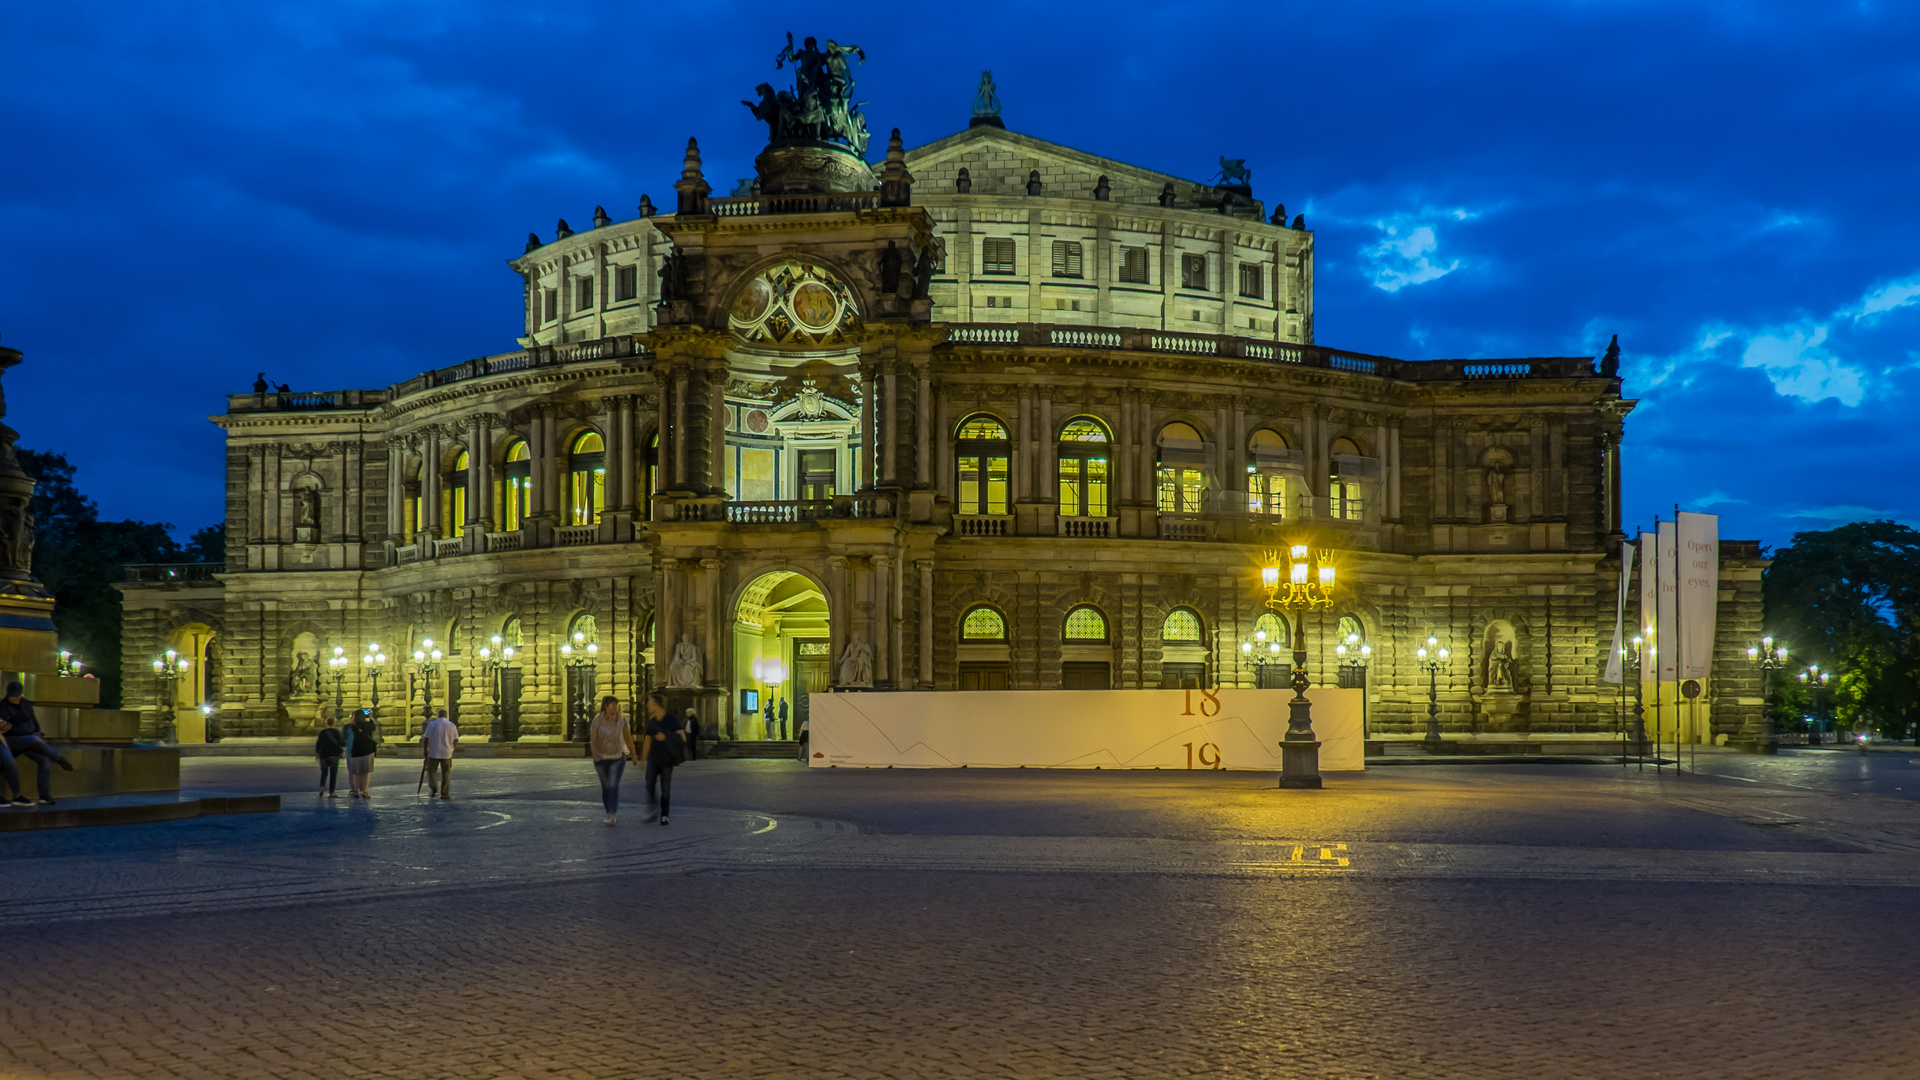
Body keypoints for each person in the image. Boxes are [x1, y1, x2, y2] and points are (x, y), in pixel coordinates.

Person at [0, 681, 73, 806]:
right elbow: (8, 729)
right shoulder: (3, 707)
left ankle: (44, 795)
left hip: (28, 737)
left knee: (43, 759)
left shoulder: (26, 704)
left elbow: (34, 721)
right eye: (12, 697)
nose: (14, 699)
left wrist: (37, 731)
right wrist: (28, 733)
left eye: (16, 697)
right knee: (31, 742)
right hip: (13, 739)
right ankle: (58, 758)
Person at [588, 695, 638, 825]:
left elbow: (628, 738)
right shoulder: (597, 721)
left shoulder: (622, 721)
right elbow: (593, 740)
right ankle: (608, 811)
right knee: (605, 787)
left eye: (616, 704)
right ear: (606, 706)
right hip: (601, 758)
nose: (615, 707)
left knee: (613, 785)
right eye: (613, 704)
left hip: (617, 757)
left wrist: (633, 754)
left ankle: (612, 813)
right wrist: (595, 755)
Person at [641, 691, 687, 826]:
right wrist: (643, 760)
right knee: (649, 784)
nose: (648, 706)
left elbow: (682, 738)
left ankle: (664, 814)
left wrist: (666, 736)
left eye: (650, 703)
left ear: (657, 705)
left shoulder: (672, 720)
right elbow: (647, 741)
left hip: (667, 759)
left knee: (665, 788)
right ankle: (654, 808)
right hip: (653, 759)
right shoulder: (651, 723)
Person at [421, 707, 458, 800]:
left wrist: (425, 750)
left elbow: (426, 738)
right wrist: (452, 748)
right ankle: (444, 793)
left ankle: (433, 786)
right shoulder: (452, 725)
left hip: (434, 752)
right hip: (447, 753)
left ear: (438, 715)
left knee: (431, 770)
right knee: (445, 774)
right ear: (446, 716)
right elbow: (456, 739)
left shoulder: (432, 725)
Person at [344, 709, 381, 798]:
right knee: (366, 772)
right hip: (367, 751)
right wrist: (370, 717)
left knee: (355, 773)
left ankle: (355, 791)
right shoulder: (368, 725)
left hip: (355, 751)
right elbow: (373, 727)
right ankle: (365, 791)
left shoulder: (352, 726)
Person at [314, 716, 345, 798]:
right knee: (333, 774)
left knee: (324, 773)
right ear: (334, 723)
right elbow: (341, 743)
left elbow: (318, 743)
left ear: (326, 723)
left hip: (324, 755)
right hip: (334, 755)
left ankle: (322, 787)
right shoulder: (336, 732)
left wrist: (317, 753)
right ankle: (332, 792)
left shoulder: (322, 732)